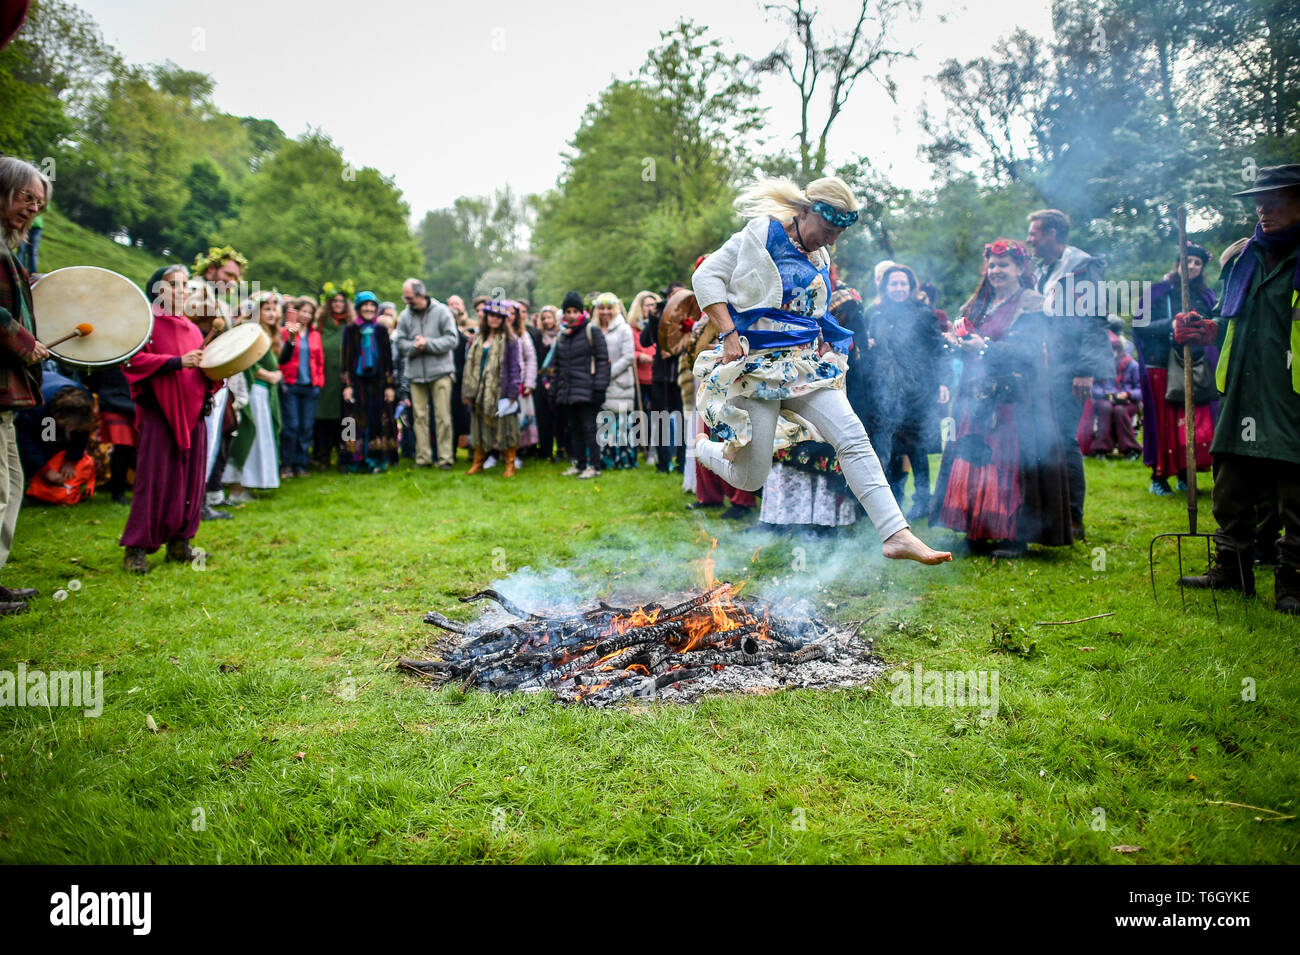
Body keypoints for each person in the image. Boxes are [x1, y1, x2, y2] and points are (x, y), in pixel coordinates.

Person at [691, 176, 949, 563]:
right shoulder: (761, 232)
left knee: (853, 437)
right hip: (756, 369)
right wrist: (727, 333)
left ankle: (896, 534)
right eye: (827, 231)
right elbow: (704, 276)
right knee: (751, 477)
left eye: (837, 236)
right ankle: (702, 449)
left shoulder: (820, 256)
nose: (830, 243)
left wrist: (825, 336)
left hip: (801, 367)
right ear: (804, 211)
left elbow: (810, 308)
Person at [1179, 164, 1300, 615]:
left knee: (1295, 490)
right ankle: (1232, 567)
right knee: (1230, 482)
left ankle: (1293, 580)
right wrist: (1203, 330)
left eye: (1275, 202)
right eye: (1259, 203)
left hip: (1293, 392)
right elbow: (1233, 325)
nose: (1264, 211)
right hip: (1241, 391)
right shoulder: (1239, 257)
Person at [930, 239, 1073, 557]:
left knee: (1006, 461)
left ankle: (1013, 535)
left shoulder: (1033, 303)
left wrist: (983, 347)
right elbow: (963, 335)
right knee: (973, 457)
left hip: (1013, 398)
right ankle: (976, 529)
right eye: (992, 265)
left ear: (1021, 268)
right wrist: (954, 341)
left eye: (1003, 265)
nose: (996, 271)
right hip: (974, 394)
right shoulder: (978, 302)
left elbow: (1029, 351)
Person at [120, 266, 220, 573]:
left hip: (195, 414)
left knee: (191, 482)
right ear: (157, 289)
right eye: (173, 284)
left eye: (185, 285)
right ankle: (136, 549)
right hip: (160, 413)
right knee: (153, 481)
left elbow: (201, 370)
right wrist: (177, 362)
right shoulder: (145, 324)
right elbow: (131, 360)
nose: (181, 290)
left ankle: (180, 543)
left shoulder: (192, 329)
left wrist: (217, 371)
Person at [1026, 209, 1112, 540]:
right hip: (1042, 366)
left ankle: (1073, 517)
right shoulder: (1041, 270)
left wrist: (1085, 370)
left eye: (1034, 233)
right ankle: (1049, 514)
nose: (1030, 239)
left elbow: (1095, 318)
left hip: (1070, 368)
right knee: (1041, 439)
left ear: (1052, 234)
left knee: (1062, 439)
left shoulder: (1083, 268)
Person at [0, 157, 52, 612]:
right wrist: (24, 342)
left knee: (12, 482)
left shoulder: (8, 252)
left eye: (38, 202)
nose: (32, 208)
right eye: (25, 198)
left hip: (8, 391)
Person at [864, 263, 951, 522]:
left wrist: (944, 383)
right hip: (886, 390)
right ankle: (894, 501)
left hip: (917, 389)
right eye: (894, 284)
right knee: (889, 444)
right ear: (885, 287)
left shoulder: (924, 314)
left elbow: (938, 350)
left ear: (910, 287)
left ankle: (923, 499)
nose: (899, 288)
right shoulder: (876, 314)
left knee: (916, 447)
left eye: (903, 284)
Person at [1133, 243, 1218, 495]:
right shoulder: (1157, 292)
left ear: (1202, 268)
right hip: (1160, 366)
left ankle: (1185, 474)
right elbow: (1140, 327)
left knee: (1189, 424)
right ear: (1177, 263)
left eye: (1197, 263)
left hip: (1193, 367)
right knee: (1163, 423)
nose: (1191, 266)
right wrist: (1171, 324)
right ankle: (1158, 478)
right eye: (1187, 260)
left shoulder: (1206, 297)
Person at [222, 292, 282, 497]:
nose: (272, 313)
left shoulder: (268, 334)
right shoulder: (251, 331)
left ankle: (250, 482)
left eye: (274, 309)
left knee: (261, 437)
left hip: (264, 393)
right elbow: (248, 363)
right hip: (253, 391)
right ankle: (237, 486)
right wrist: (270, 376)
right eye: (267, 309)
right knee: (249, 434)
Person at [395, 278, 458, 469]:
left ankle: (445, 458)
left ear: (420, 295)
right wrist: (415, 346)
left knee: (442, 417)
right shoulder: (405, 316)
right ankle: (423, 458)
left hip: (441, 372)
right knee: (419, 417)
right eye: (405, 298)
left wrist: (428, 344)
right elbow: (400, 343)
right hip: (415, 374)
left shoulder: (442, 311)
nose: (407, 302)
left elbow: (452, 340)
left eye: (409, 298)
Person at [16, 367, 96, 505]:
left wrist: (71, 460)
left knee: (52, 441)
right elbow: (25, 441)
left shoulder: (85, 401)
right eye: (68, 427)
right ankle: (29, 486)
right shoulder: (37, 406)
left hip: (52, 407)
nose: (71, 430)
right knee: (45, 441)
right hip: (34, 399)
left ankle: (48, 488)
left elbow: (82, 431)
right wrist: (45, 470)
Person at [554, 292, 610, 479]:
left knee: (589, 428)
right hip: (568, 390)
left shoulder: (591, 331)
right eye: (568, 311)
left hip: (588, 390)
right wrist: (556, 389)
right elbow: (559, 365)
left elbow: (602, 360)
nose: (571, 315)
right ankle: (579, 463)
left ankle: (594, 465)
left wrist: (599, 388)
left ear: (581, 312)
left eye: (574, 311)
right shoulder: (563, 335)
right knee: (574, 428)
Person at [463, 300, 521, 477]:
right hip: (479, 391)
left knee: (507, 430)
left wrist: (512, 393)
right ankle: (478, 462)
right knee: (479, 428)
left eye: (498, 316)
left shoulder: (510, 340)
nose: (494, 319)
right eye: (491, 315)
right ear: (486, 317)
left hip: (500, 390)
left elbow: (515, 367)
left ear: (503, 319)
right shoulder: (478, 339)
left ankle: (509, 464)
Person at [341, 291, 397, 473]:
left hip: (377, 382)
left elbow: (388, 359)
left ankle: (376, 460)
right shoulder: (350, 330)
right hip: (356, 382)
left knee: (377, 420)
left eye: (372, 305)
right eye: (365, 305)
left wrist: (390, 385)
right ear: (358, 308)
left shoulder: (381, 330)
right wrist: (347, 385)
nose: (368, 309)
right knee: (351, 420)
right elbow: (346, 359)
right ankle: (352, 460)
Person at [639, 283, 686, 473]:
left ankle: (682, 463)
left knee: (682, 419)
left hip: (680, 374)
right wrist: (653, 318)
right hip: (660, 375)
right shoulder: (660, 316)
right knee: (659, 419)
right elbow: (646, 341)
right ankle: (663, 463)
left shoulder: (687, 314)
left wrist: (673, 350)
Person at [1077, 330, 1142, 459]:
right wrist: (1106, 394)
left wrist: (1128, 394)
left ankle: (1130, 449)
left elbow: (1141, 390)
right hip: (1105, 400)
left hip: (1127, 402)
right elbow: (1094, 387)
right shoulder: (1100, 366)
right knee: (1105, 408)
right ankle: (1101, 449)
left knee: (1119, 410)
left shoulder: (1132, 365)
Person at [278, 297, 323, 478]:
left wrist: (319, 382)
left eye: (309, 313)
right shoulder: (284, 332)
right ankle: (286, 464)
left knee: (306, 427)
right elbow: (280, 358)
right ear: (295, 312)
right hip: (291, 385)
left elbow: (319, 362)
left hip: (310, 386)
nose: (306, 315)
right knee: (291, 426)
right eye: (303, 311)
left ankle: (301, 464)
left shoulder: (315, 335)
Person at [593, 292, 636, 470]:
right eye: (601, 308)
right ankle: (605, 460)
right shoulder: (593, 328)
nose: (605, 312)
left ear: (615, 309)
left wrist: (607, 373)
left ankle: (623, 460)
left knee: (621, 425)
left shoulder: (623, 328)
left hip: (619, 384)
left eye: (609, 308)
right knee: (603, 423)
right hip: (598, 384)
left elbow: (628, 357)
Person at [314, 287, 352, 470]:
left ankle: (347, 455)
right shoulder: (321, 325)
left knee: (347, 419)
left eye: (341, 301)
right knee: (324, 419)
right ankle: (323, 456)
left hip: (346, 380)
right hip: (325, 378)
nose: (338, 304)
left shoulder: (351, 325)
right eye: (335, 301)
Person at [510, 301, 539, 463]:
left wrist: (528, 383)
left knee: (519, 420)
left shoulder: (522, 334)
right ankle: (496, 453)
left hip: (519, 385)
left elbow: (531, 359)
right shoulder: (495, 334)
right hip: (500, 386)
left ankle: (518, 453)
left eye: (513, 313)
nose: (509, 316)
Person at [534, 305, 562, 460]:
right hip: (541, 382)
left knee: (559, 418)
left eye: (549, 317)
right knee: (543, 418)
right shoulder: (539, 337)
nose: (546, 321)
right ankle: (545, 450)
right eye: (543, 318)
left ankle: (561, 450)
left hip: (557, 381)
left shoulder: (561, 336)